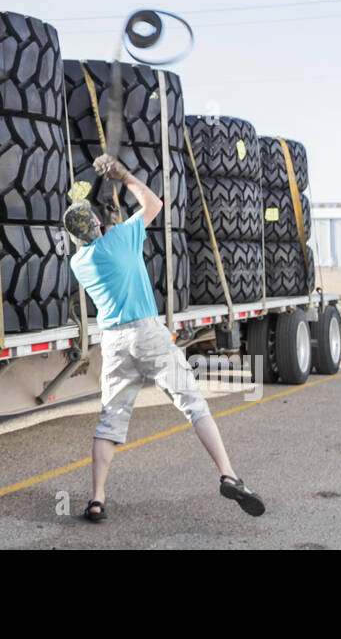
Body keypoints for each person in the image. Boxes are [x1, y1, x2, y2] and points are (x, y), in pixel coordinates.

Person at [66, 153, 265, 522]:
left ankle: (96, 499)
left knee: (110, 420)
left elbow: (94, 240)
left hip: (113, 342)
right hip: (147, 333)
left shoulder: (79, 263)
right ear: (97, 222)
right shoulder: (122, 238)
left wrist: (99, 221)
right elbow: (153, 204)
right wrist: (123, 176)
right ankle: (228, 474)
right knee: (192, 403)